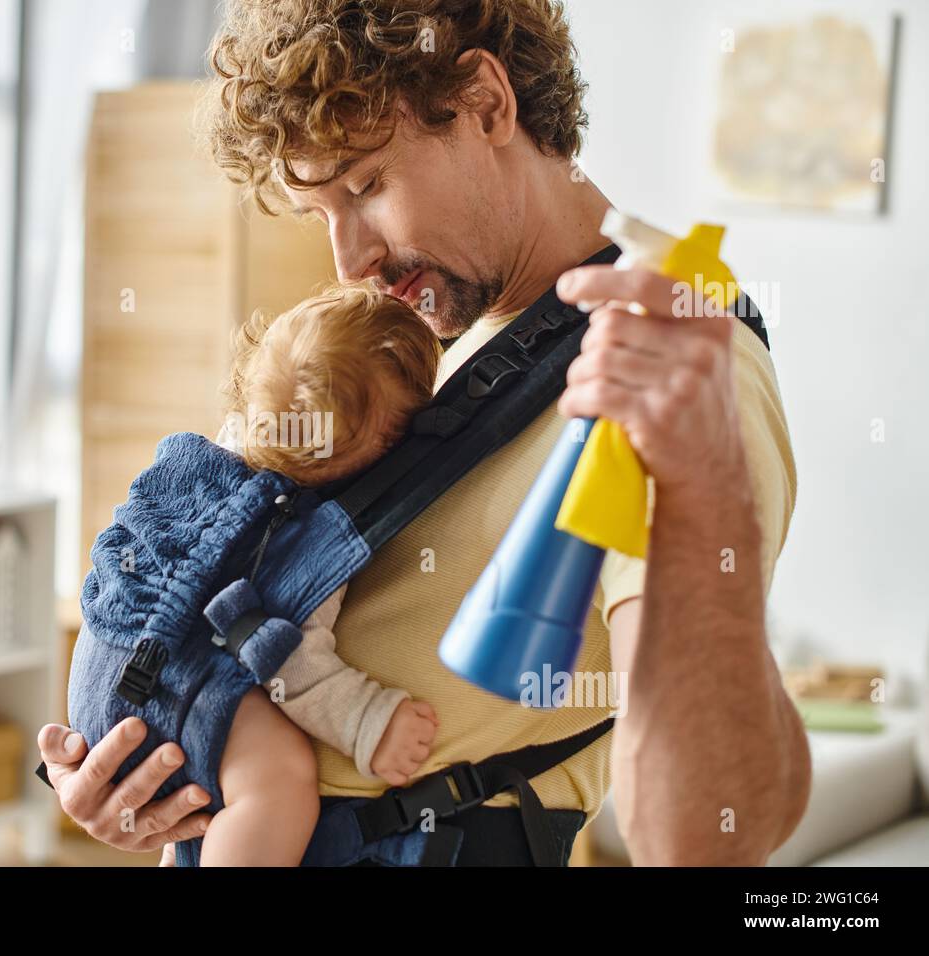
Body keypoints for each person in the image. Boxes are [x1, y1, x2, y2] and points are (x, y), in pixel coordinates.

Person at [40, 0, 811, 866]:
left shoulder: (668, 365)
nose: (347, 262)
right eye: (318, 212)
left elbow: (704, 835)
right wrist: (141, 762)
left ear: (485, 102)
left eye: (366, 186)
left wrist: (704, 492)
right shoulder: (432, 341)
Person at [68, 287, 443, 865]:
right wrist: (369, 721)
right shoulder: (307, 533)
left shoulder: (199, 459)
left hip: (93, 678)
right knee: (278, 783)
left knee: (202, 818)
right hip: (180, 687)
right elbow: (289, 659)